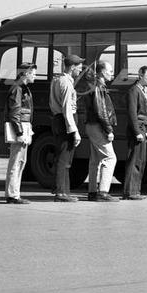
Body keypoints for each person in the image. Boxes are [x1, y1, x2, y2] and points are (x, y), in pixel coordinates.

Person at [49, 54, 84, 202]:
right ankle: (60, 192)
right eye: (79, 67)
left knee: (64, 157)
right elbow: (67, 109)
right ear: (72, 67)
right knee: (64, 157)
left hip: (58, 119)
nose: (80, 70)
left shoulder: (57, 80)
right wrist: (74, 130)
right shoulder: (66, 83)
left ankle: (64, 190)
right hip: (65, 120)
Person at [85, 59, 118, 202]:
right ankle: (103, 192)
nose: (112, 73)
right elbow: (101, 111)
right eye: (110, 71)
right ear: (103, 72)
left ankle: (92, 191)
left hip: (91, 125)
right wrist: (108, 129)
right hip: (98, 126)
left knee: (95, 160)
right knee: (110, 158)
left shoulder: (94, 86)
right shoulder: (99, 87)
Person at [4, 62, 36, 204]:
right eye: (33, 73)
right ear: (25, 74)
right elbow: (15, 112)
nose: (35, 76)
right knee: (16, 162)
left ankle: (15, 193)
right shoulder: (18, 89)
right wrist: (20, 132)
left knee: (20, 161)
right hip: (21, 127)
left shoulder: (21, 88)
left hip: (23, 126)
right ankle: (12, 195)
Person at [123, 65, 147, 200]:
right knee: (134, 160)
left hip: (142, 128)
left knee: (140, 161)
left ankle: (135, 191)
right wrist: (137, 132)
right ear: (140, 76)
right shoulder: (133, 91)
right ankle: (130, 192)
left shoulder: (144, 90)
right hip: (136, 129)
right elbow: (132, 114)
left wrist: (144, 131)